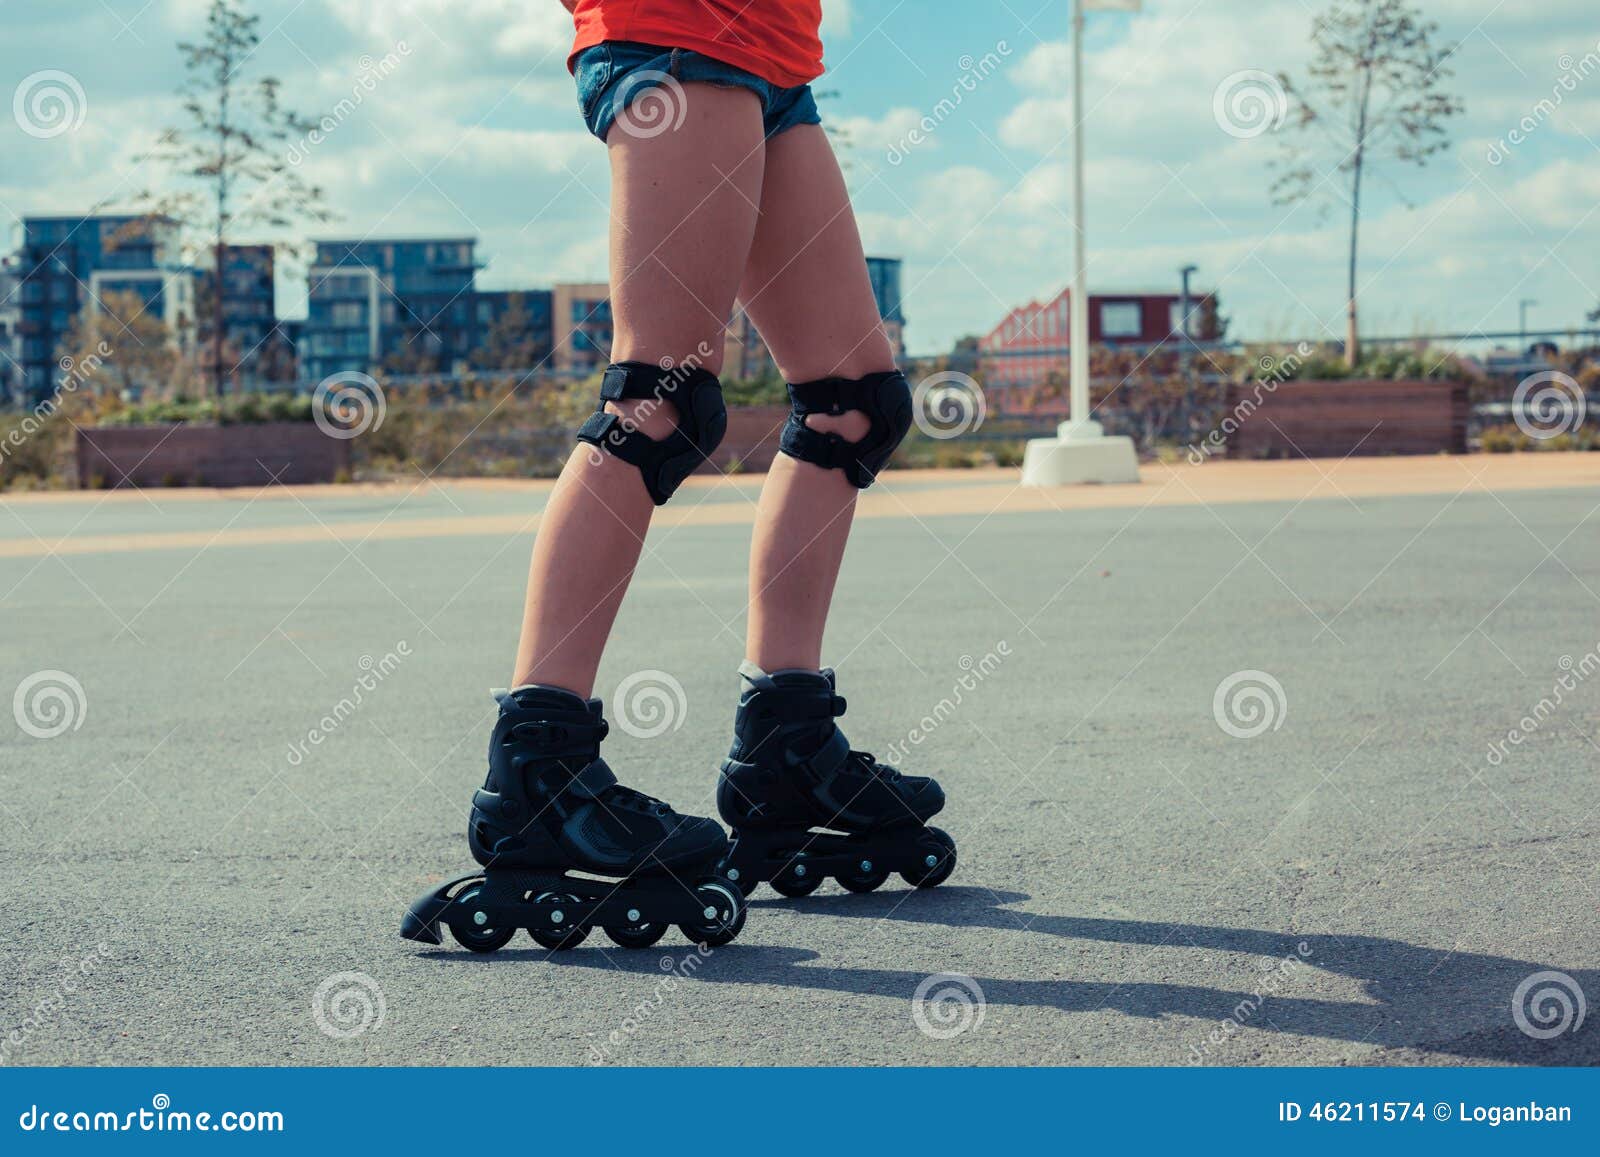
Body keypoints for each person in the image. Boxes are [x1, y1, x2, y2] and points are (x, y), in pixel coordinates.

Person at [403, 0, 953, 954]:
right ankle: (540, 768)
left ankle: (786, 740)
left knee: (854, 402)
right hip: (677, 30)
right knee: (657, 399)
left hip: (775, 52)